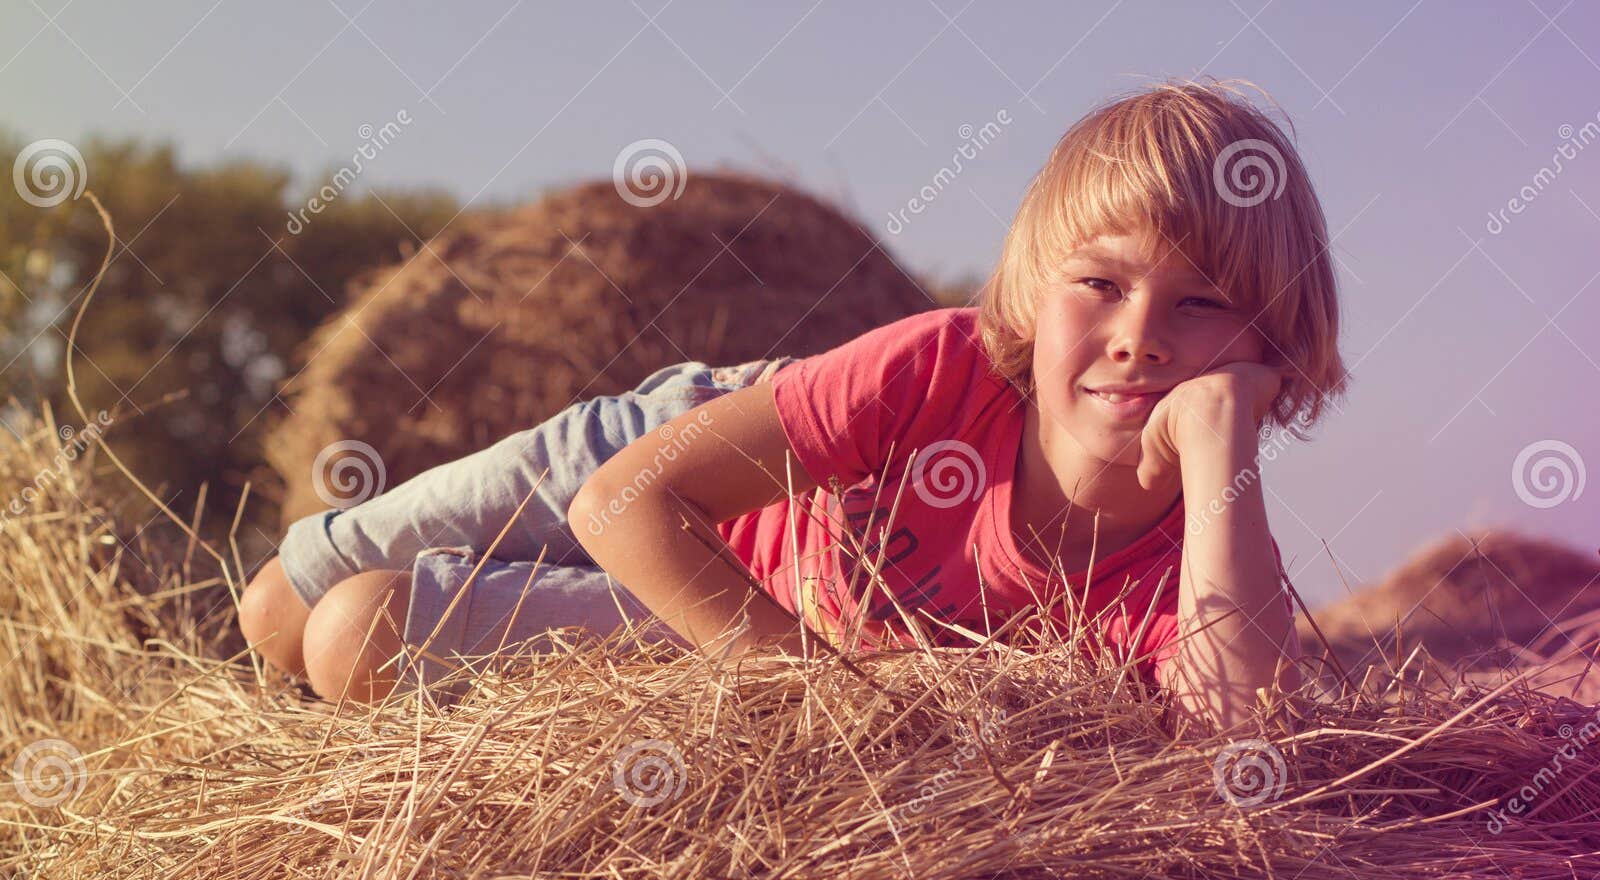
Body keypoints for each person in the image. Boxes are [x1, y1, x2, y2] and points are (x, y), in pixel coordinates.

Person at [240, 75, 1348, 733]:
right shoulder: (940, 367)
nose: (1139, 334)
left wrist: (1217, 457)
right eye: (1098, 283)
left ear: (1271, 343)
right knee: (278, 609)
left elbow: (1237, 736)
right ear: (1028, 289)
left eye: (1202, 305)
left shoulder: (1197, 564)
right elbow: (621, 504)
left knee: (357, 637)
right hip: (667, 465)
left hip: (739, 609)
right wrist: (843, 707)